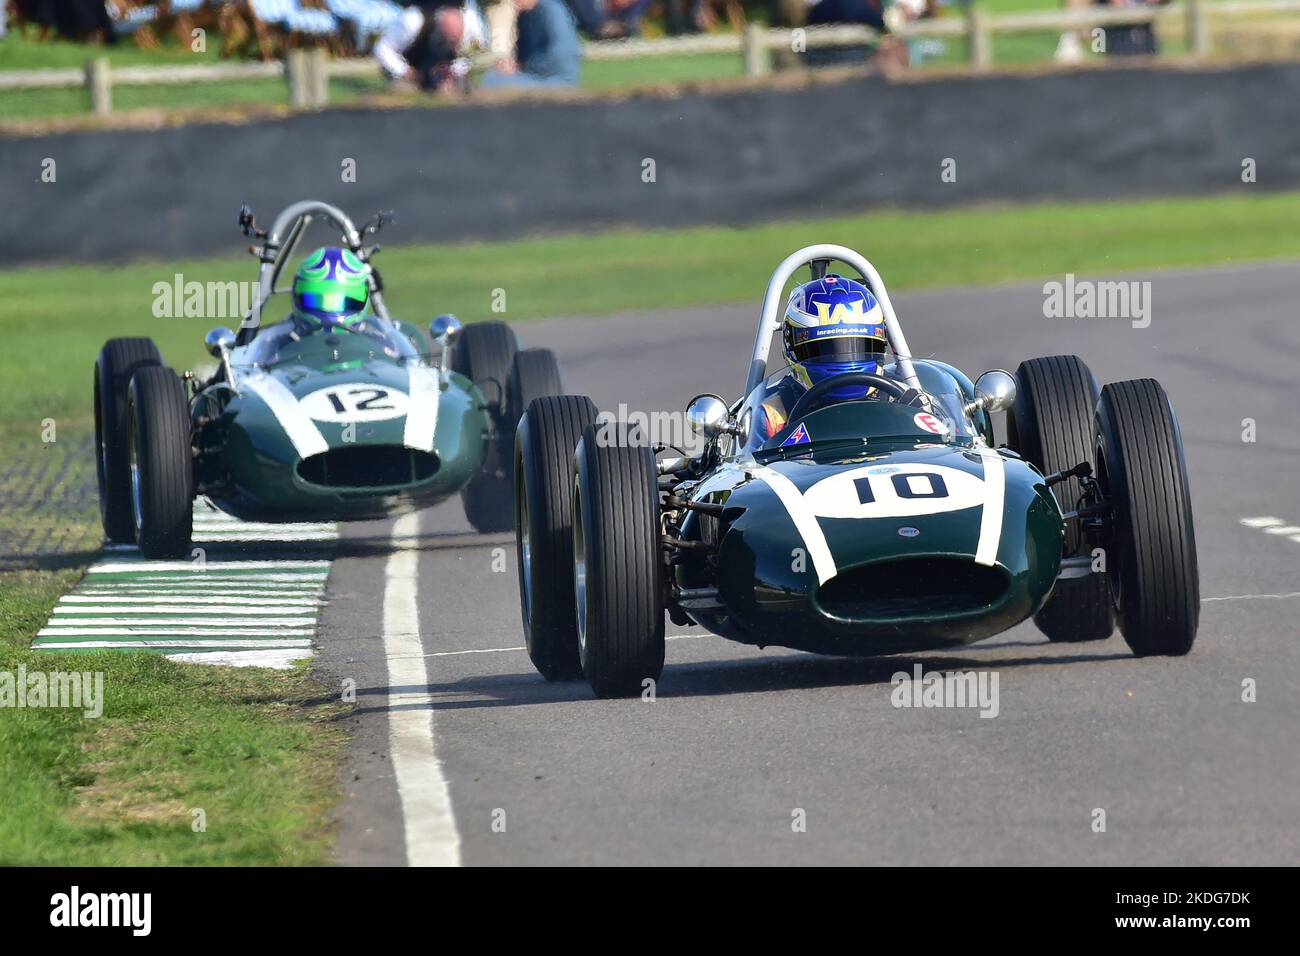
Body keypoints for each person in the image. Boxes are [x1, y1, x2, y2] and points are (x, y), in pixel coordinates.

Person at [754, 274, 892, 441]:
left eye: (858, 346)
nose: (843, 360)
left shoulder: (905, 399)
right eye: (825, 349)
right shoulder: (774, 416)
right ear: (792, 347)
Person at [250, 248, 411, 366]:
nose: (329, 310)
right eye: (316, 299)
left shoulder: (380, 338)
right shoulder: (277, 342)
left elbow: (410, 370)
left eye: (343, 300)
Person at [374, 1, 489, 93]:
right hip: (410, 69)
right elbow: (382, 49)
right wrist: (405, 71)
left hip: (445, 71)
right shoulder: (412, 21)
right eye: (449, 38)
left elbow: (479, 55)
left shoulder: (472, 22)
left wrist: (455, 70)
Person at [480, 0, 581, 88]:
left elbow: (560, 56)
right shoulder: (525, 15)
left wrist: (523, 66)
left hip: (557, 80)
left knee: (495, 82)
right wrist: (511, 64)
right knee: (493, 77)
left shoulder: (551, 11)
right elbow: (522, 53)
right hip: (534, 77)